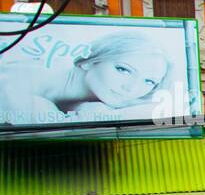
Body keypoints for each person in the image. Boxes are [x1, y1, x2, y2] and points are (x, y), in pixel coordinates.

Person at [0, 32, 171, 126]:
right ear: (88, 61)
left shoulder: (80, 94)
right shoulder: (21, 93)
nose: (131, 88)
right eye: (123, 69)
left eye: (149, 82)